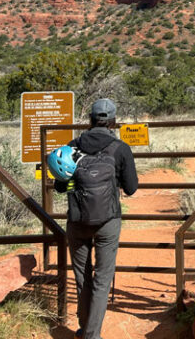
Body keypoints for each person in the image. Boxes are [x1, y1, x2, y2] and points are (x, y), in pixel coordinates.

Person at [53, 98, 138, 339]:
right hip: (108, 222)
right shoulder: (120, 148)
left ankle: (84, 327)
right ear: (113, 122)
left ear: (90, 120)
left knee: (82, 275)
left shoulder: (72, 146)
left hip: (77, 221)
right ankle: (92, 335)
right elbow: (131, 188)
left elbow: (59, 186)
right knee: (102, 278)